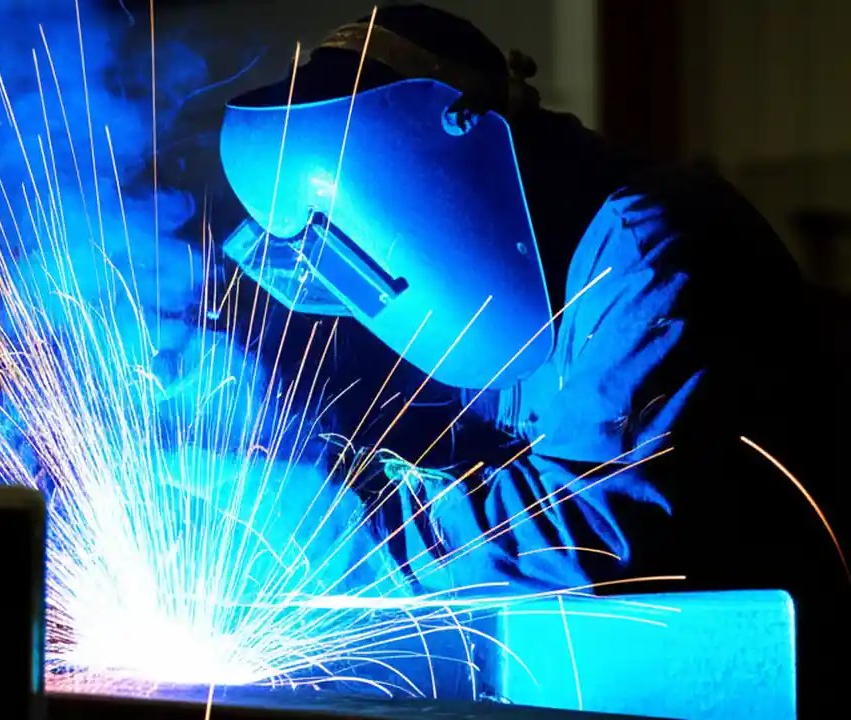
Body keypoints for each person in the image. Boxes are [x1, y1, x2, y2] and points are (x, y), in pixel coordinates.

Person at [216, 2, 845, 710]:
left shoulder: (647, 251)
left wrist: (338, 524)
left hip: (748, 687)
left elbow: (597, 528)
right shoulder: (486, 281)